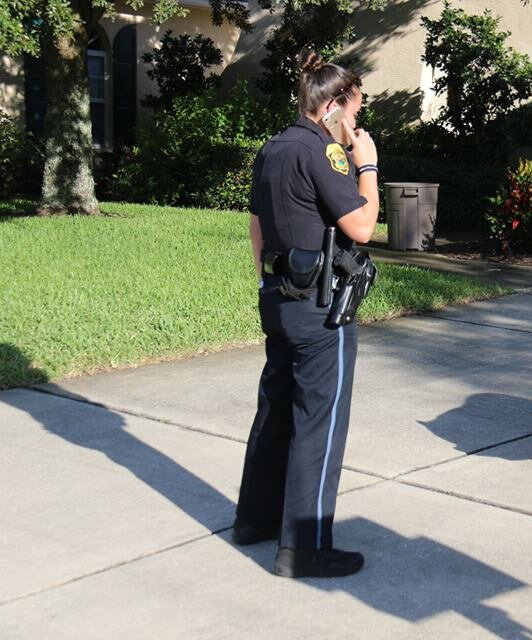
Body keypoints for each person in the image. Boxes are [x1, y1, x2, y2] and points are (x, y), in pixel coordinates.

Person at [232, 49, 379, 579]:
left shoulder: (273, 147)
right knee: (319, 423)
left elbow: (256, 226)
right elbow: (362, 226)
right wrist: (368, 165)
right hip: (320, 312)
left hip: (277, 298)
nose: (357, 123)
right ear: (336, 106)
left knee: (275, 412)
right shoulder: (325, 152)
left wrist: (265, 282)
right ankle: (305, 548)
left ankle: (254, 521)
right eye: (356, 112)